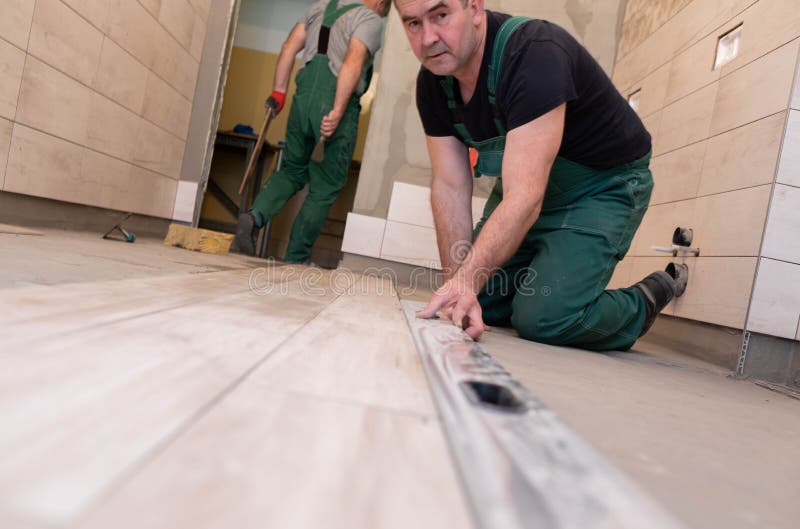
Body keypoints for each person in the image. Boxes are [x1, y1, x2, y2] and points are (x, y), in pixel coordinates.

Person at [394, 0, 688, 350]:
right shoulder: (435, 84)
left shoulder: (533, 54)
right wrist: (457, 286)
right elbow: (450, 185)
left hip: (601, 189)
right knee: (475, 298)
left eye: (440, 15)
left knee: (545, 318)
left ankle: (645, 299)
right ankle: (537, 279)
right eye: (413, 24)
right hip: (527, 189)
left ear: (474, 8)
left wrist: (467, 281)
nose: (428, 38)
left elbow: (525, 197)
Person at [236, 0, 390, 263]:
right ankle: (296, 257)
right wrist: (338, 110)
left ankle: (255, 216)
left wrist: (279, 92)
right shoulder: (370, 20)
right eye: (385, 9)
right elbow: (352, 62)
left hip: (302, 99)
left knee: (292, 169)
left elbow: (288, 48)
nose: (383, 14)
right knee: (325, 184)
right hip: (333, 101)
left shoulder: (320, 7)